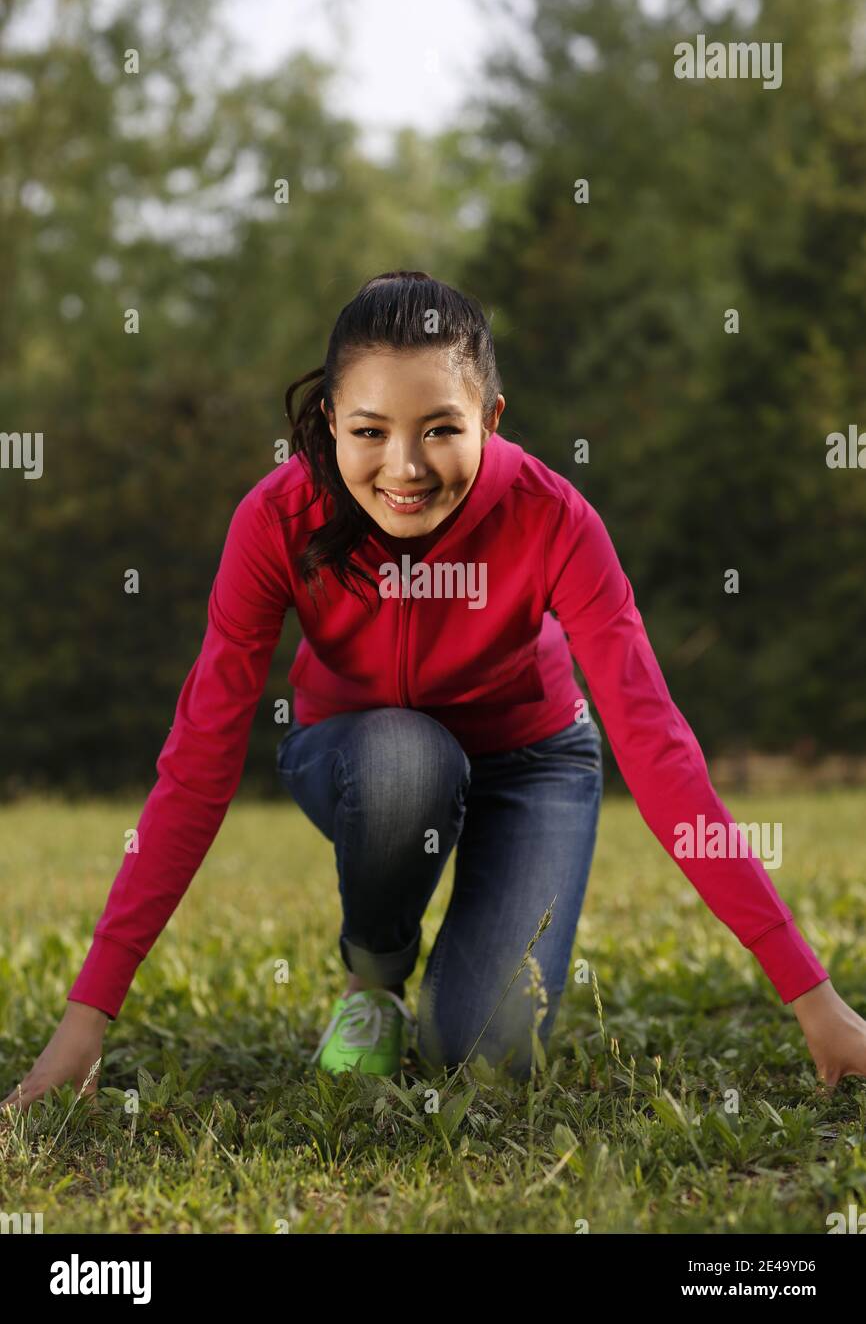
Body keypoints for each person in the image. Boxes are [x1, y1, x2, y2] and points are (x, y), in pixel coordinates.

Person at [4, 271, 866, 1108]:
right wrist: (88, 1016)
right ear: (332, 421)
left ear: (491, 417)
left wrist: (812, 997)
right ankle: (374, 979)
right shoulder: (276, 519)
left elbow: (659, 751)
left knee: (482, 1059)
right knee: (406, 761)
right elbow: (197, 762)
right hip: (363, 757)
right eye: (370, 431)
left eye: (440, 428)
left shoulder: (553, 516)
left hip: (536, 760)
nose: (405, 467)